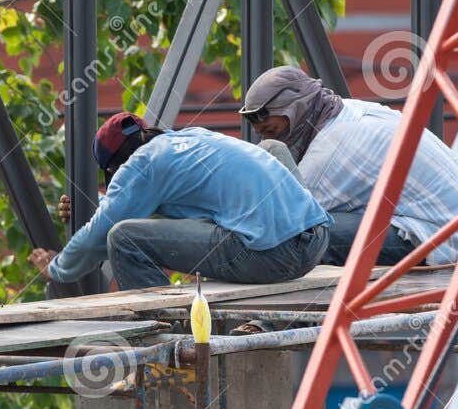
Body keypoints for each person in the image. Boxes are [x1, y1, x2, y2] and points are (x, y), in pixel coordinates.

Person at [29, 112, 331, 291]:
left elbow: (102, 231)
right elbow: (133, 201)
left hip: (272, 257)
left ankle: (165, 328)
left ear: (113, 168)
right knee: (270, 149)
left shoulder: (140, 165)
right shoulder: (190, 139)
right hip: (316, 241)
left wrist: (57, 269)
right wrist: (93, 203)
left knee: (122, 237)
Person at [240, 66, 458, 266]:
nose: (269, 141)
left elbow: (287, 220)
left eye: (273, 131)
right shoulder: (347, 110)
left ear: (297, 111)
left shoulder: (330, 151)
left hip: (448, 240)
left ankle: (290, 320)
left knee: (305, 239)